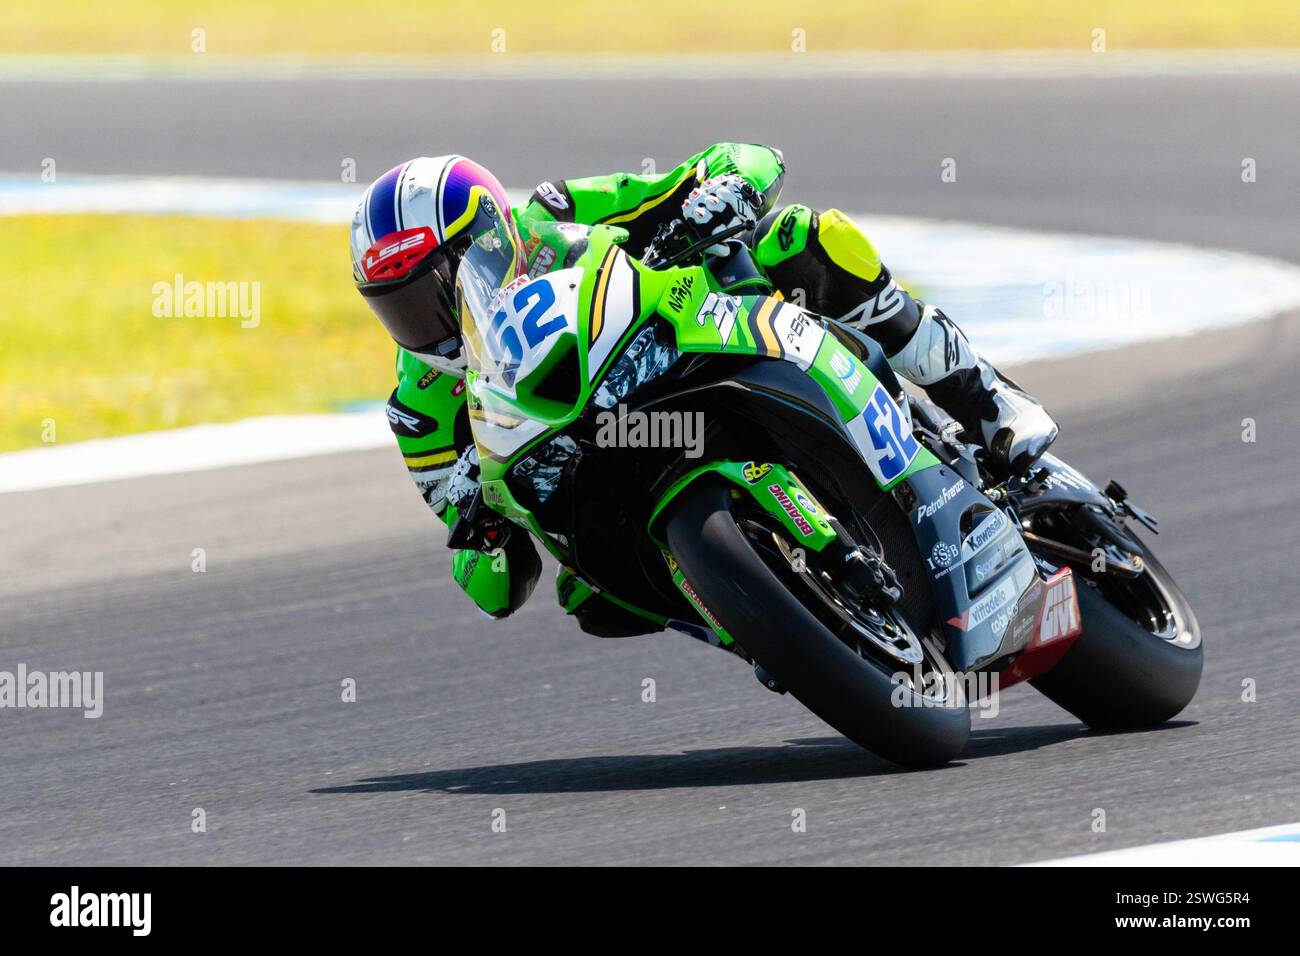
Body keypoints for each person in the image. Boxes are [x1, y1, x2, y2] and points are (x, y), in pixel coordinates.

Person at [349, 145, 1058, 632]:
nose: (430, 325)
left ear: (492, 234)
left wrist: (723, 192)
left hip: (681, 348)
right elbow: (493, 584)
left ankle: (986, 399)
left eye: (439, 292)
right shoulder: (420, 412)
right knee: (590, 606)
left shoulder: (559, 211)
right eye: (400, 308)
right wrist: (484, 531)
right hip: (597, 478)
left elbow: (740, 158)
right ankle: (776, 624)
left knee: (798, 239)